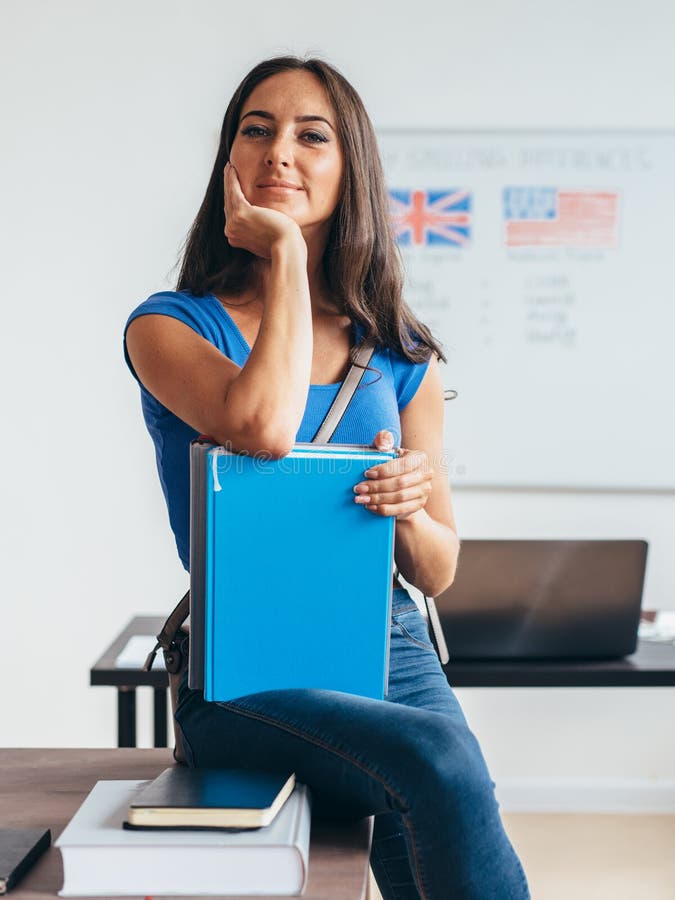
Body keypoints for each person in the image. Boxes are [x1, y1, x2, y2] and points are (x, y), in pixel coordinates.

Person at [124, 56, 529, 900]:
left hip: (386, 642)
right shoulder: (168, 327)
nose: (279, 153)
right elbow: (262, 429)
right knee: (439, 758)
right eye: (255, 130)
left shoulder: (398, 354)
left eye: (312, 136)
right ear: (228, 161)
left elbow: (435, 570)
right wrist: (279, 256)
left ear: (350, 172)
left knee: (432, 806)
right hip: (244, 657)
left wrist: (407, 507)